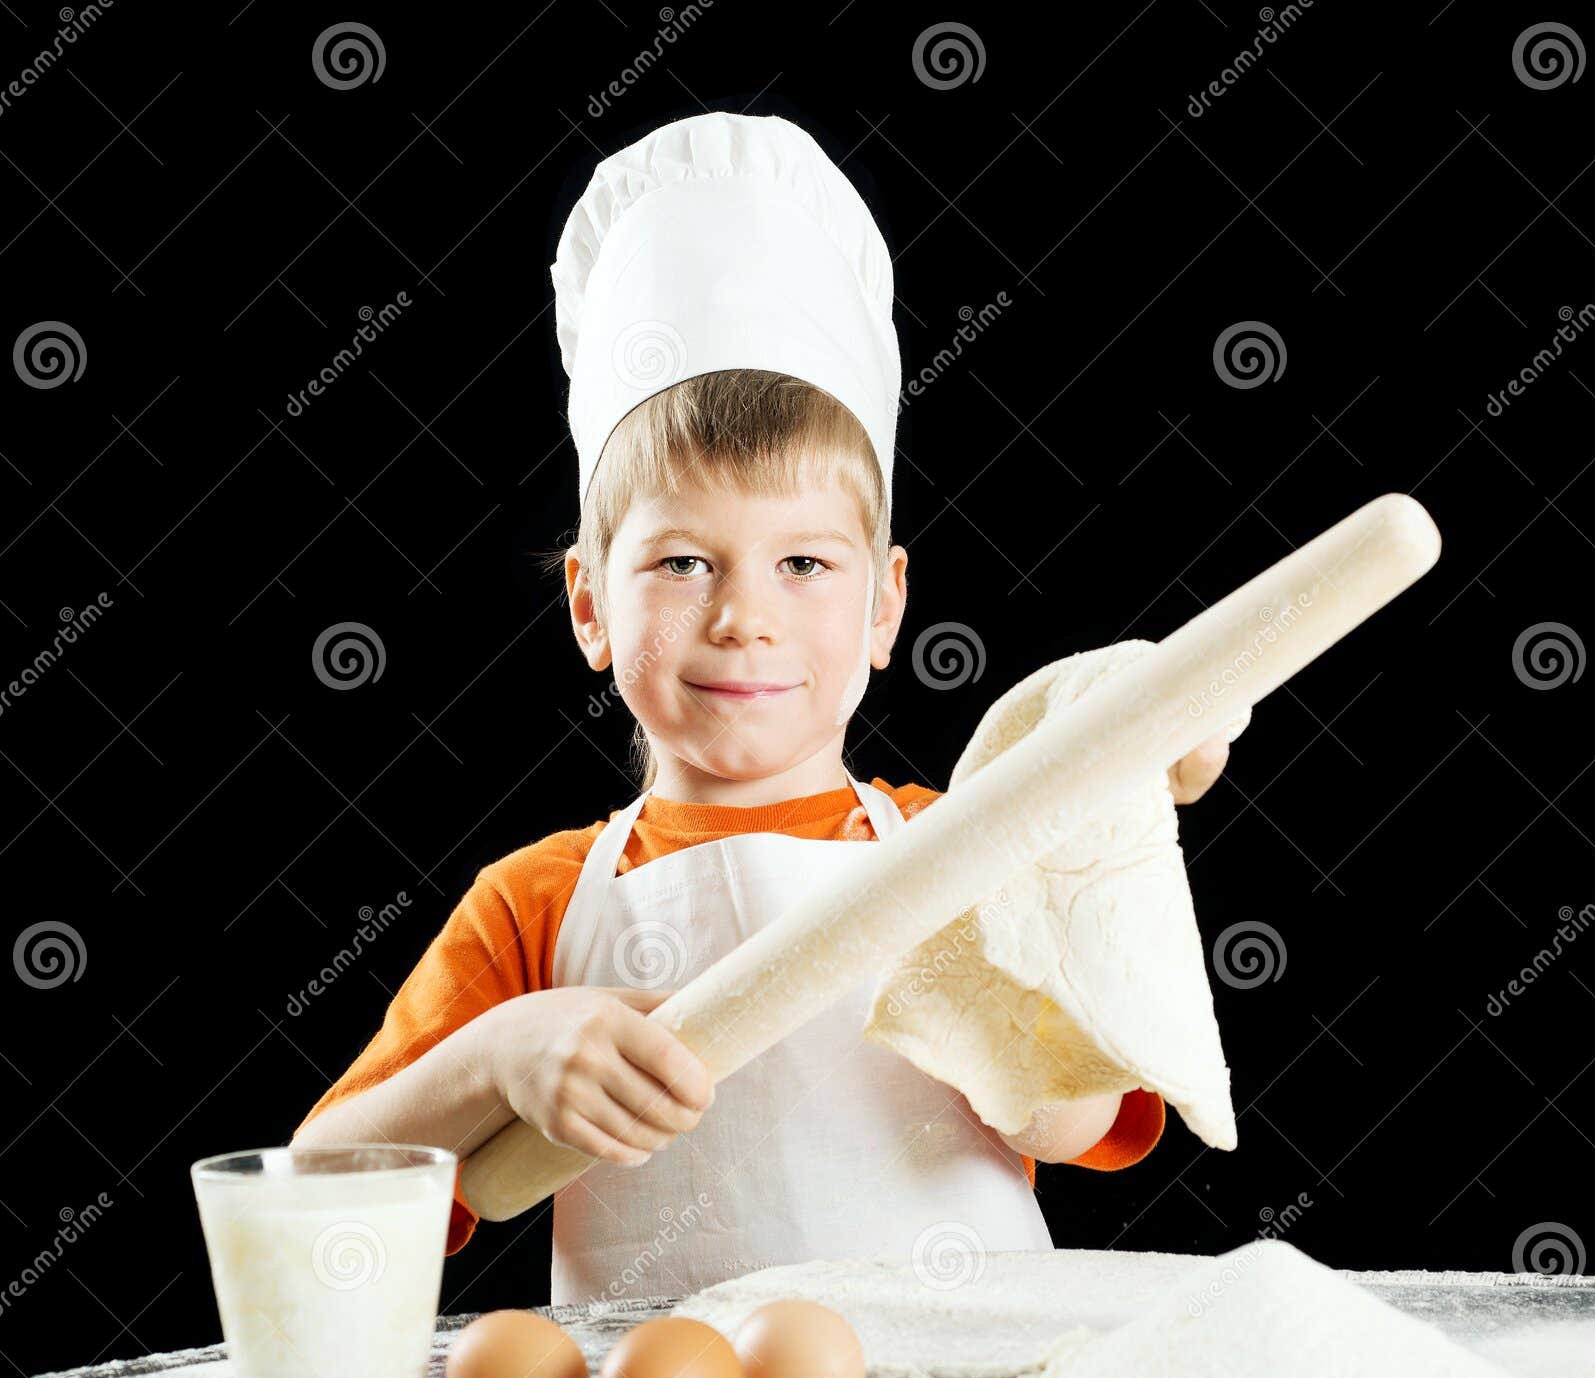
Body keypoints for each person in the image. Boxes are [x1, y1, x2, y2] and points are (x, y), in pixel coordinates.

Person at [293, 112, 1230, 1303]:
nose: (744, 617)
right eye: (683, 563)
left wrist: (1097, 802)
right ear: (589, 606)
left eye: (804, 565)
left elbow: (1066, 1119)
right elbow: (322, 1190)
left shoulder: (958, 848)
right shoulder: (531, 910)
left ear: (886, 607)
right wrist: (504, 1055)